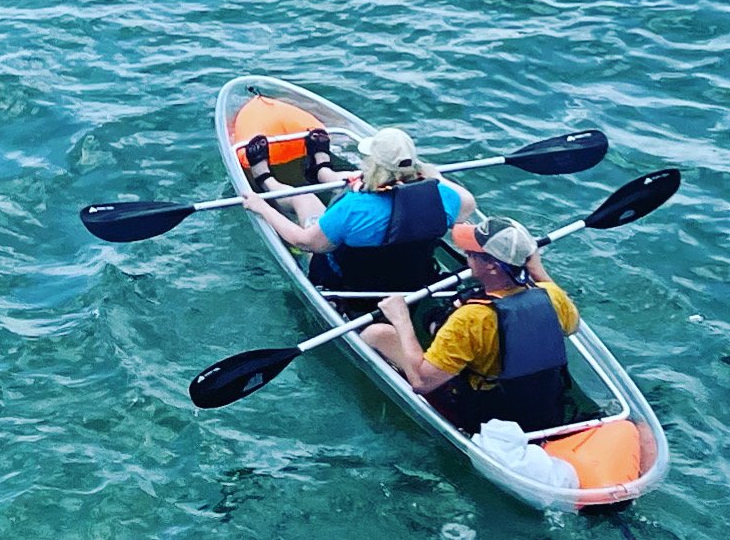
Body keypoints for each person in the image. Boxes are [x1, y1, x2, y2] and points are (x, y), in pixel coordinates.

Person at [363, 214, 579, 433]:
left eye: (472, 253)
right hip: (547, 406)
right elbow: (573, 325)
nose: (466, 255)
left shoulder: (471, 319)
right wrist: (537, 270)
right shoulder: (553, 295)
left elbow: (422, 383)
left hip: (487, 417)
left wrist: (401, 319)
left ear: (492, 266)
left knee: (377, 333)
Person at [240, 125, 476, 298]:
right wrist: (434, 176)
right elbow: (468, 204)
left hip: (351, 288)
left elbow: (305, 242)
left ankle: (266, 181)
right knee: (345, 184)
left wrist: (260, 207)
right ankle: (321, 170)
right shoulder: (443, 198)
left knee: (304, 197)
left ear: (373, 163)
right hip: (413, 282)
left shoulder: (355, 207)